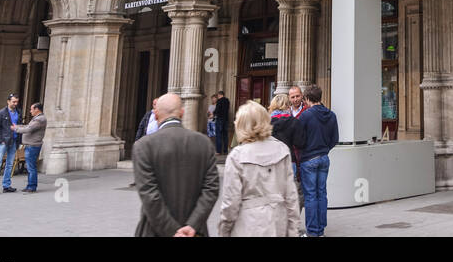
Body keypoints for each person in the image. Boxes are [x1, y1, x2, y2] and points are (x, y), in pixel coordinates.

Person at [132, 92, 219, 237]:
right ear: (182, 113)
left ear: (155, 114)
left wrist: (173, 231)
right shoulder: (204, 143)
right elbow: (211, 189)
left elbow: (149, 194)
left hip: (155, 231)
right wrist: (192, 225)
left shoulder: (143, 146)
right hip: (194, 232)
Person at [217, 101, 301, 237]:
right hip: (277, 224)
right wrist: (293, 230)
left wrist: (224, 230)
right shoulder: (282, 149)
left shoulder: (237, 156)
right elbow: (291, 197)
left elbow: (231, 202)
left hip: (247, 226)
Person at [289, 84, 337, 237]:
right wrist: (324, 149)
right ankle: (320, 229)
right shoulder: (331, 115)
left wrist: (304, 150)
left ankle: (313, 231)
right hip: (324, 158)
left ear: (307, 98)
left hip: (308, 159)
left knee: (310, 195)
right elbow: (334, 139)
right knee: (321, 193)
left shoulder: (306, 115)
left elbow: (297, 139)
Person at [0, 93, 21, 195]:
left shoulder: (18, 112)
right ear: (8, 101)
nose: (15, 103)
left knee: (10, 164)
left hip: (14, 141)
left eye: (17, 102)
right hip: (4, 142)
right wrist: (0, 140)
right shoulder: (1, 113)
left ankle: (6, 185)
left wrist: (19, 140)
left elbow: (18, 126)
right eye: (13, 102)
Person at [12, 102, 47, 193]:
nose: (30, 111)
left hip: (33, 146)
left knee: (31, 167)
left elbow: (28, 129)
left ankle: (32, 187)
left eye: (31, 109)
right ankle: (30, 186)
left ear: (37, 109)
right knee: (30, 167)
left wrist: (15, 129)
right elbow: (27, 126)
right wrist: (18, 126)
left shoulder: (40, 119)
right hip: (31, 145)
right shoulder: (37, 119)